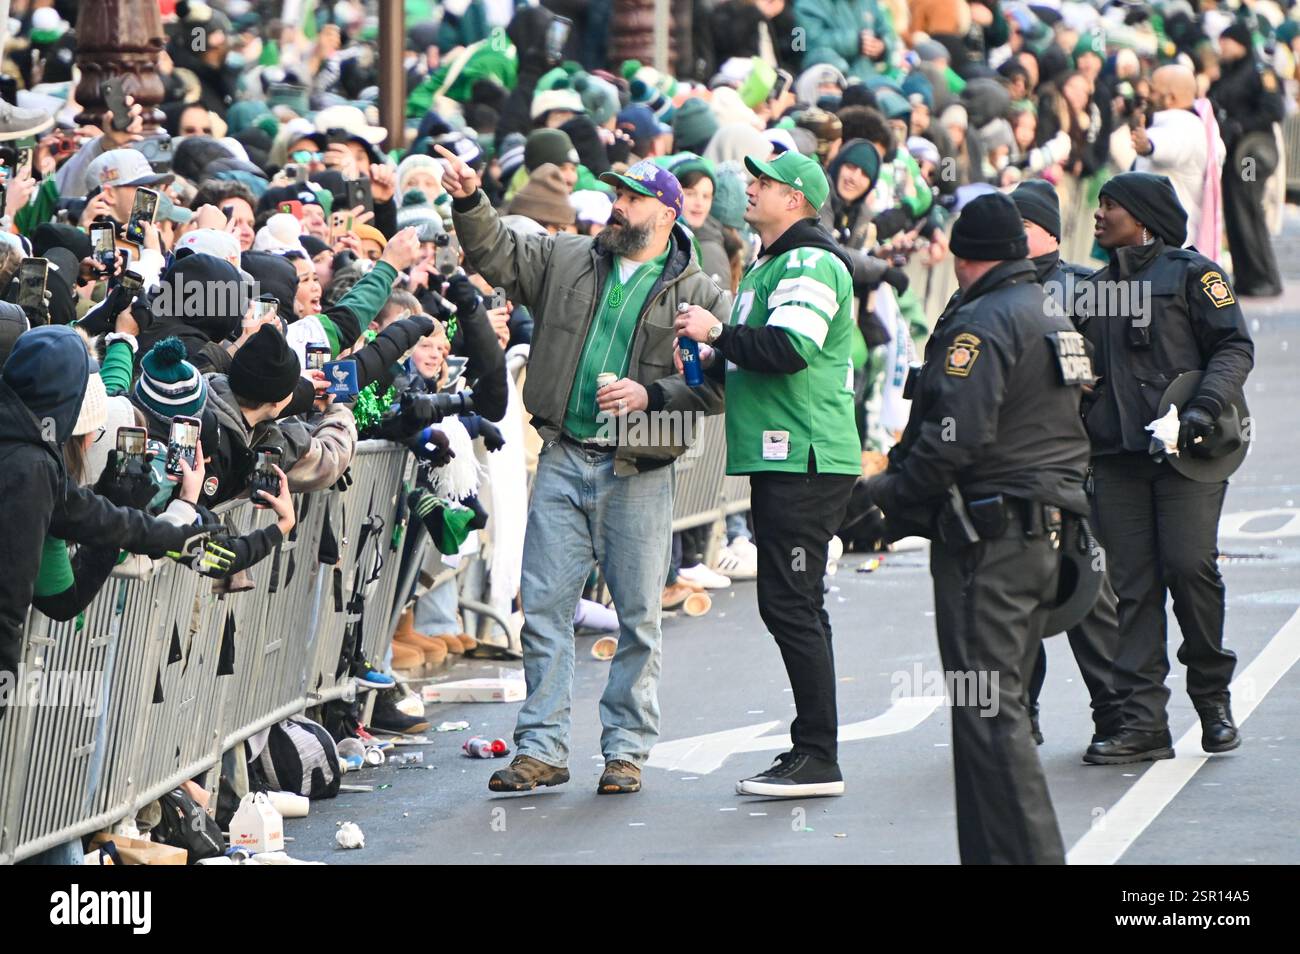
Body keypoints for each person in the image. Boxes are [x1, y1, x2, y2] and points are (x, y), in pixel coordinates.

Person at [437, 144, 729, 796]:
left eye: (629, 198)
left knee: (637, 618)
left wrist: (649, 396)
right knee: (542, 609)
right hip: (565, 454)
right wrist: (468, 199)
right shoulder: (569, 255)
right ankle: (541, 749)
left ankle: (626, 752)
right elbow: (498, 254)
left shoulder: (702, 294)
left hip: (639, 471)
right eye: (615, 195)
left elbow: (715, 393)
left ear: (666, 212)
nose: (615, 206)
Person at [863, 193, 1093, 864]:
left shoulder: (983, 322)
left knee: (992, 717)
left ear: (965, 258)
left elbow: (950, 441)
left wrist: (884, 497)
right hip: (1040, 534)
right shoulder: (1049, 313)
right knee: (989, 712)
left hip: (989, 541)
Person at [677, 150, 859, 797]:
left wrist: (718, 330)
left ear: (800, 198)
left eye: (765, 183)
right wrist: (712, 351)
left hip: (805, 457)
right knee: (792, 602)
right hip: (784, 457)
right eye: (752, 180)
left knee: (791, 602)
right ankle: (812, 746)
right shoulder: (769, 264)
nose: (750, 189)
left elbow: (787, 349)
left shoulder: (811, 261)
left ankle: (819, 754)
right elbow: (755, 357)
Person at [1077, 171, 1254, 765]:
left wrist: (1204, 407)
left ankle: (1212, 699)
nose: (1098, 216)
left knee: (1189, 568)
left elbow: (1234, 346)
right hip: (1117, 461)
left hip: (1189, 455)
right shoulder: (1095, 287)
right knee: (1132, 589)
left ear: (1145, 217)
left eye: (1110, 207)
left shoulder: (1196, 275)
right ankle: (1143, 724)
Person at [0, 326, 207, 699]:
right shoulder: (30, 466)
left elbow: (90, 515)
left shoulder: (28, 451)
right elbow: (23, 598)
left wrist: (178, 534)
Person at [1011, 179, 1122, 746]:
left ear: (1049, 232)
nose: (1010, 235)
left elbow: (1105, 379)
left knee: (1087, 591)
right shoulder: (978, 292)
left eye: (1022, 225)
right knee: (1011, 597)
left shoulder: (1085, 290)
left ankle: (1116, 713)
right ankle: (1018, 717)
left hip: (1073, 465)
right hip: (1005, 470)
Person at [1208, 22, 1285, 297]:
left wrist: (1241, 125)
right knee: (1235, 210)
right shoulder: (1227, 73)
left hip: (1251, 155)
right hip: (1233, 153)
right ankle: (1246, 276)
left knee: (1249, 205)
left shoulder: (1261, 71)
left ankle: (1264, 276)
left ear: (1239, 43)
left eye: (1226, 43)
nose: (1222, 48)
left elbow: (1274, 109)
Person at [1132, 65, 1225, 259]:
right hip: (1161, 241)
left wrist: (1149, 145)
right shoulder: (1190, 123)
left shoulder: (1185, 125)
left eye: (1153, 90)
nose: (1146, 95)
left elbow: (1172, 146)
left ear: (1171, 98)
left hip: (1167, 246)